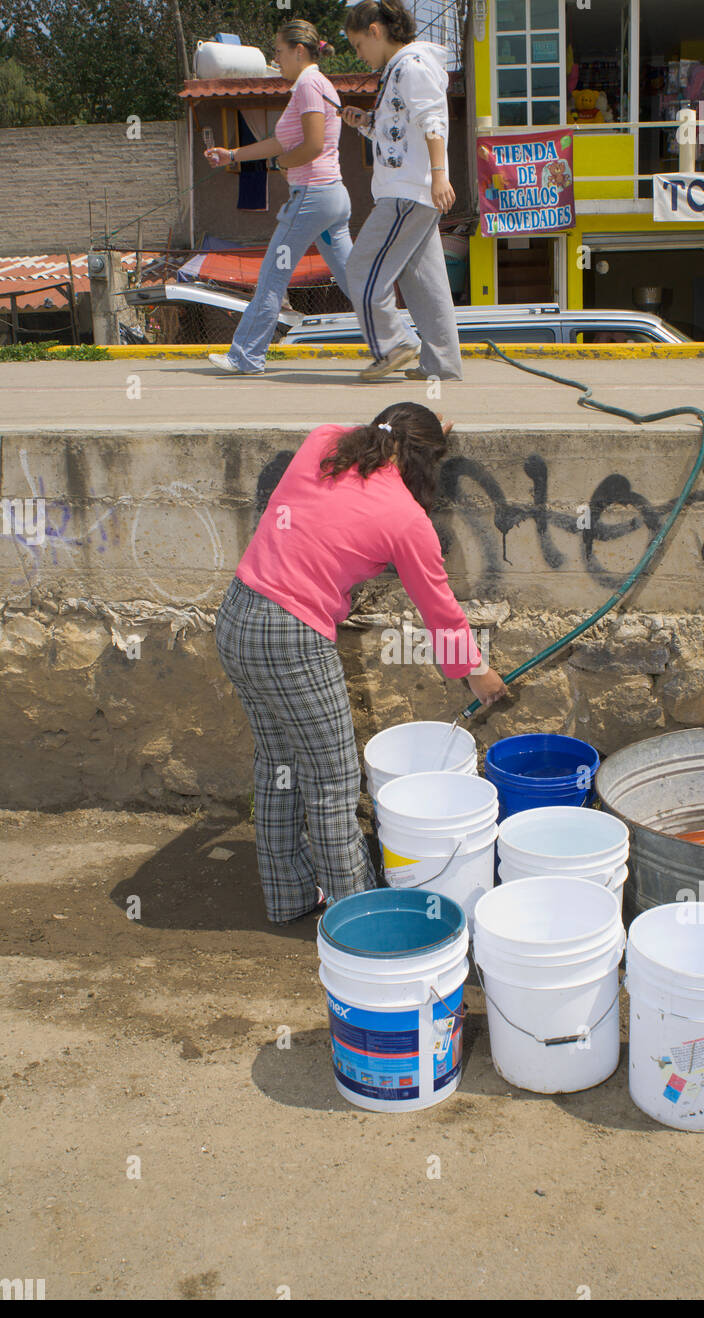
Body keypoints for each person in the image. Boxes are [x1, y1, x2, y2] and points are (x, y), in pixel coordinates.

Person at [214, 403, 508, 924]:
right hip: (291, 639)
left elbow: (369, 441)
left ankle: (290, 898)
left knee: (279, 764)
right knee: (332, 782)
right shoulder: (406, 520)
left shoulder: (324, 441)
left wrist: (414, 432)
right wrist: (478, 673)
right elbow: (439, 608)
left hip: (237, 614)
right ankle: (362, 918)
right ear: (425, 460)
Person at [205, 21, 352, 374]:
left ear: (299, 51)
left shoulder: (308, 85)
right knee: (355, 278)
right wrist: (234, 155)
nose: (276, 58)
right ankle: (399, 342)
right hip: (332, 197)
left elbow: (310, 146)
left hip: (311, 198)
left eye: (279, 51)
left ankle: (246, 356)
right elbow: (282, 142)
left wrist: (277, 163)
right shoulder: (317, 84)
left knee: (272, 275)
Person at [340, 0, 463, 383]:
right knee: (424, 282)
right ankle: (442, 366)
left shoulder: (411, 66)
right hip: (413, 191)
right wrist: (365, 123)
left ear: (376, 31)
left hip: (408, 193)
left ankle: (394, 343)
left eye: (359, 45)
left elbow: (433, 119)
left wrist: (440, 175)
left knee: (361, 267)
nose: (360, 55)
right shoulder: (401, 69)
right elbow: (401, 129)